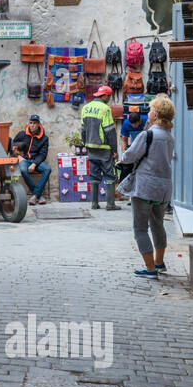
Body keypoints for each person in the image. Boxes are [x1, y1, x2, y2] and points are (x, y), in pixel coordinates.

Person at [118, 93, 175, 277]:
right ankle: (159, 263)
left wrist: (122, 160)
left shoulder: (147, 134)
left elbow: (130, 155)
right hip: (164, 189)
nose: (148, 113)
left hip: (145, 188)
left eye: (150, 110)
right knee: (158, 225)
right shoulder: (169, 137)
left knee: (140, 228)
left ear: (156, 115)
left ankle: (150, 269)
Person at [80, 83, 118, 211]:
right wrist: (114, 150)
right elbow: (110, 131)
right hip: (104, 147)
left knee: (94, 175)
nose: (109, 99)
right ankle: (110, 204)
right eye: (109, 97)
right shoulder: (105, 109)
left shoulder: (86, 108)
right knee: (109, 174)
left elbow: (83, 130)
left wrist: (86, 144)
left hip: (90, 146)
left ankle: (94, 203)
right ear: (106, 96)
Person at [13, 114, 50, 203]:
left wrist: (34, 164)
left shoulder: (44, 139)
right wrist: (18, 156)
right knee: (23, 169)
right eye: (31, 123)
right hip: (24, 160)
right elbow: (12, 146)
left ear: (38, 125)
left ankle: (35, 195)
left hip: (36, 161)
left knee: (47, 169)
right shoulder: (22, 134)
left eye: (34, 123)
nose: (32, 125)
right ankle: (38, 195)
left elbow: (43, 154)